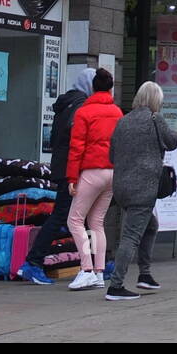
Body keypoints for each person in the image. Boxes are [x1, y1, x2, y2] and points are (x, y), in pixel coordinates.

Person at [16, 68, 94, 284]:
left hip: (64, 167)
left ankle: (99, 263)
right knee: (64, 216)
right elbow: (77, 140)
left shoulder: (67, 104)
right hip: (72, 170)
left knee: (82, 216)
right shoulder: (81, 107)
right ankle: (33, 263)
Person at [104, 81, 177, 300]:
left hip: (122, 187)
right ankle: (115, 286)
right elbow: (172, 142)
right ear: (156, 100)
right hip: (143, 188)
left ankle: (145, 274)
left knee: (150, 226)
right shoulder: (155, 119)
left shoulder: (123, 121)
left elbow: (111, 156)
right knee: (131, 236)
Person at [65, 68, 123, 291]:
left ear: (92, 87)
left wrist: (72, 177)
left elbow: (77, 147)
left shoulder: (84, 112)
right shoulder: (117, 112)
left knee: (75, 220)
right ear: (110, 88)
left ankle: (86, 269)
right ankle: (99, 273)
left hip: (91, 171)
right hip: (112, 172)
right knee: (97, 222)